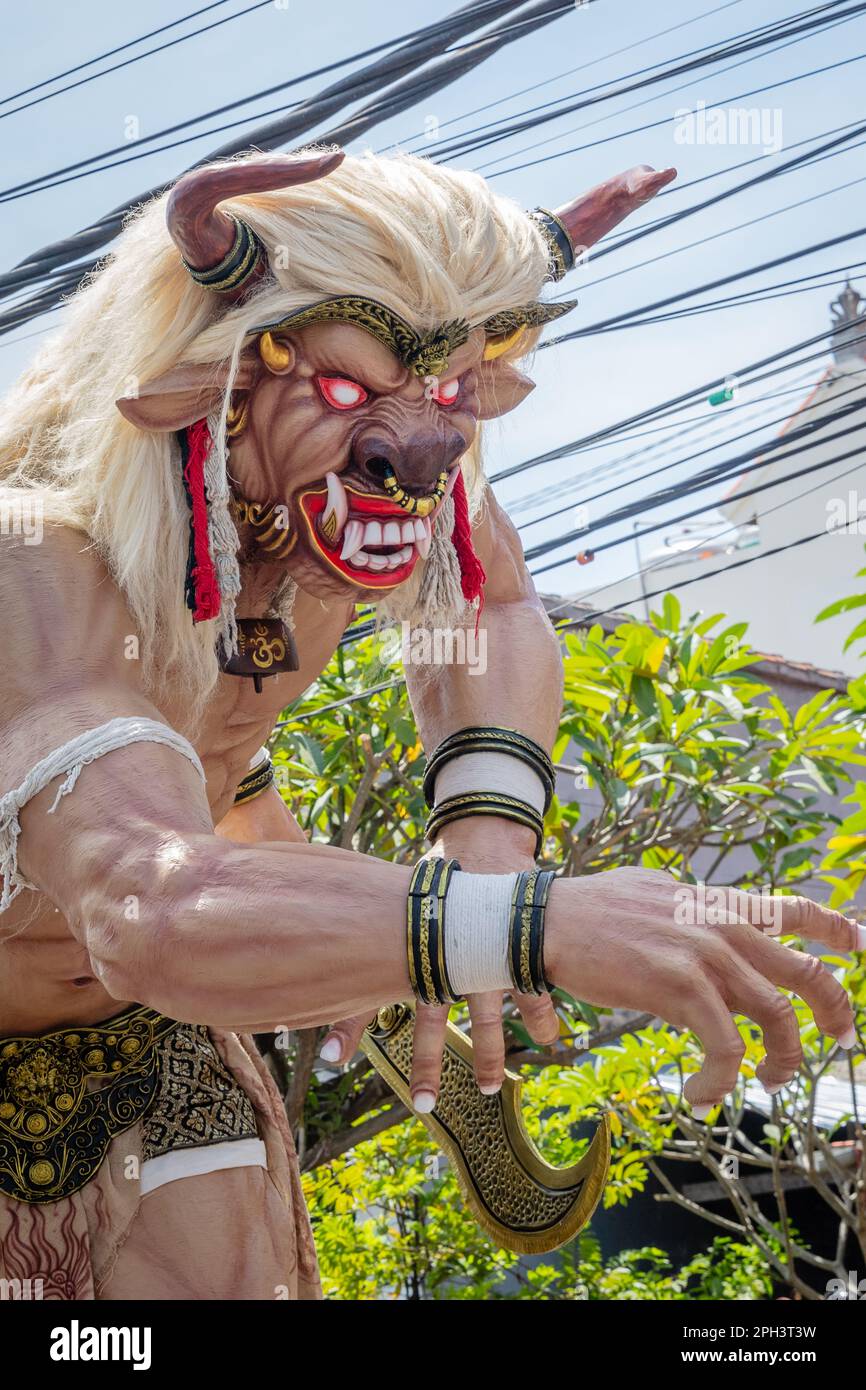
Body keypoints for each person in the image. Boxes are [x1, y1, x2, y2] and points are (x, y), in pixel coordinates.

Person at [0, 148, 858, 1301]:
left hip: (145, 1038)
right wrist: (520, 923)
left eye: (451, 396)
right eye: (349, 389)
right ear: (215, 378)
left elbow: (491, 602)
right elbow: (142, 903)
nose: (420, 449)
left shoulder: (353, 499)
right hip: (135, 952)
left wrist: (486, 840)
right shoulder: (38, 562)